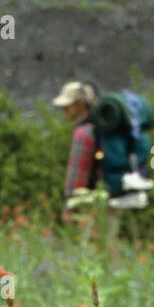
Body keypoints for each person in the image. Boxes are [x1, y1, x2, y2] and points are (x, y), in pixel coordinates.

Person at [52, 80, 100, 226]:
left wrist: (69, 207)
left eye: (67, 105)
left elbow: (77, 174)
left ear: (79, 104)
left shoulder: (83, 133)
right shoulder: (98, 127)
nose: (63, 109)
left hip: (91, 203)